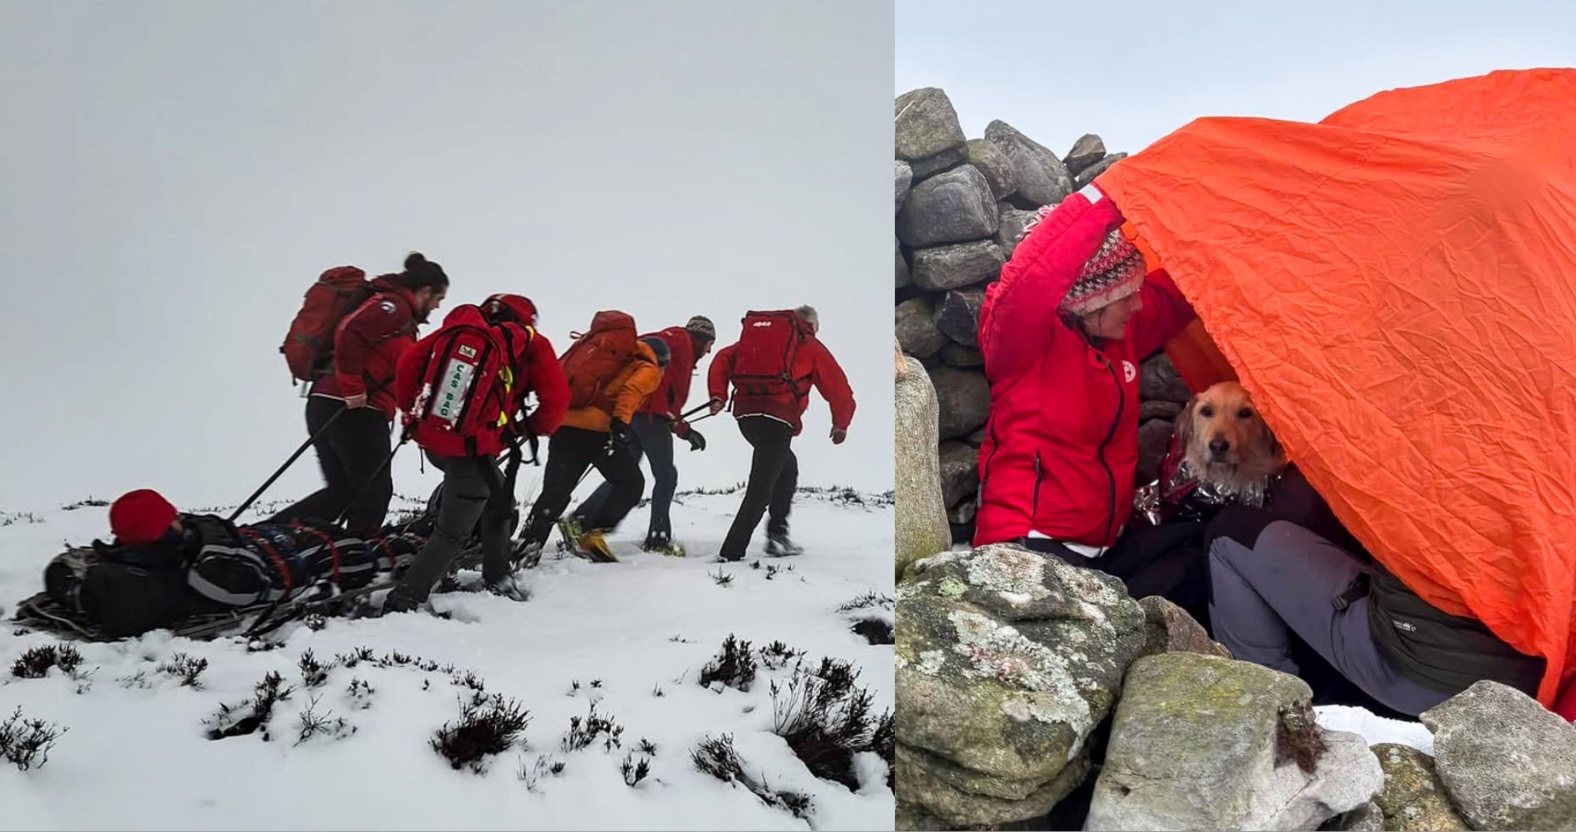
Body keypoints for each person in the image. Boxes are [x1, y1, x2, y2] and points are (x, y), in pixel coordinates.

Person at [972, 183, 1205, 617]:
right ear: (1087, 303)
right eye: (1124, 295)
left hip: (1105, 549)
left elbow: (1182, 290)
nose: (1138, 303)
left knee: (1207, 543)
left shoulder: (1118, 333)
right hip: (1031, 549)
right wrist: (1107, 196)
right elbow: (1032, 277)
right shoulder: (1021, 341)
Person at [1204, 468, 1550, 718]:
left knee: (1229, 535)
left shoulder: (1419, 433)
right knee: (1300, 500)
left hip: (1418, 671)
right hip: (1528, 681)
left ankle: (1274, 711)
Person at [380, 294, 569, 613]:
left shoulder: (456, 333)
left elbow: (407, 365)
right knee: (453, 531)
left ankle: (498, 575)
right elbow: (556, 403)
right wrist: (522, 429)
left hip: (436, 443)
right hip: (473, 449)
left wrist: (413, 417)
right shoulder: (531, 343)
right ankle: (404, 600)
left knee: (500, 503)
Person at [272, 252, 450, 537]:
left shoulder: (393, 308)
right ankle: (355, 554)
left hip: (328, 405)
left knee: (342, 492)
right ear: (425, 291)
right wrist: (354, 389)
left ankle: (263, 539)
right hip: (353, 411)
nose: (439, 305)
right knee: (375, 492)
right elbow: (349, 330)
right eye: (438, 298)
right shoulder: (394, 307)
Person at [707, 305, 855, 562]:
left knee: (787, 467)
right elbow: (837, 385)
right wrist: (841, 423)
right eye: (817, 327)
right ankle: (731, 553)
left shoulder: (755, 341)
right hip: (778, 419)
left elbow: (721, 358)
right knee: (760, 489)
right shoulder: (807, 343)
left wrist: (718, 394)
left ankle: (778, 533)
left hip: (747, 419)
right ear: (810, 324)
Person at [513, 332, 666, 564]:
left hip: (563, 425)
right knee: (631, 483)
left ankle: (526, 547)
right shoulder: (649, 366)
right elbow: (631, 390)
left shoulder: (604, 356)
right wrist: (620, 422)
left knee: (556, 491)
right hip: (595, 431)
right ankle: (588, 533)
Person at [571, 315, 716, 556]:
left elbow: (666, 399)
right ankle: (658, 538)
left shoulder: (681, 351)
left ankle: (581, 519)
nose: (710, 351)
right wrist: (681, 427)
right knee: (666, 477)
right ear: (703, 338)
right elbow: (662, 399)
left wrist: (684, 430)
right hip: (649, 419)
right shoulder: (681, 340)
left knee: (624, 474)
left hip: (636, 416)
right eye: (711, 343)